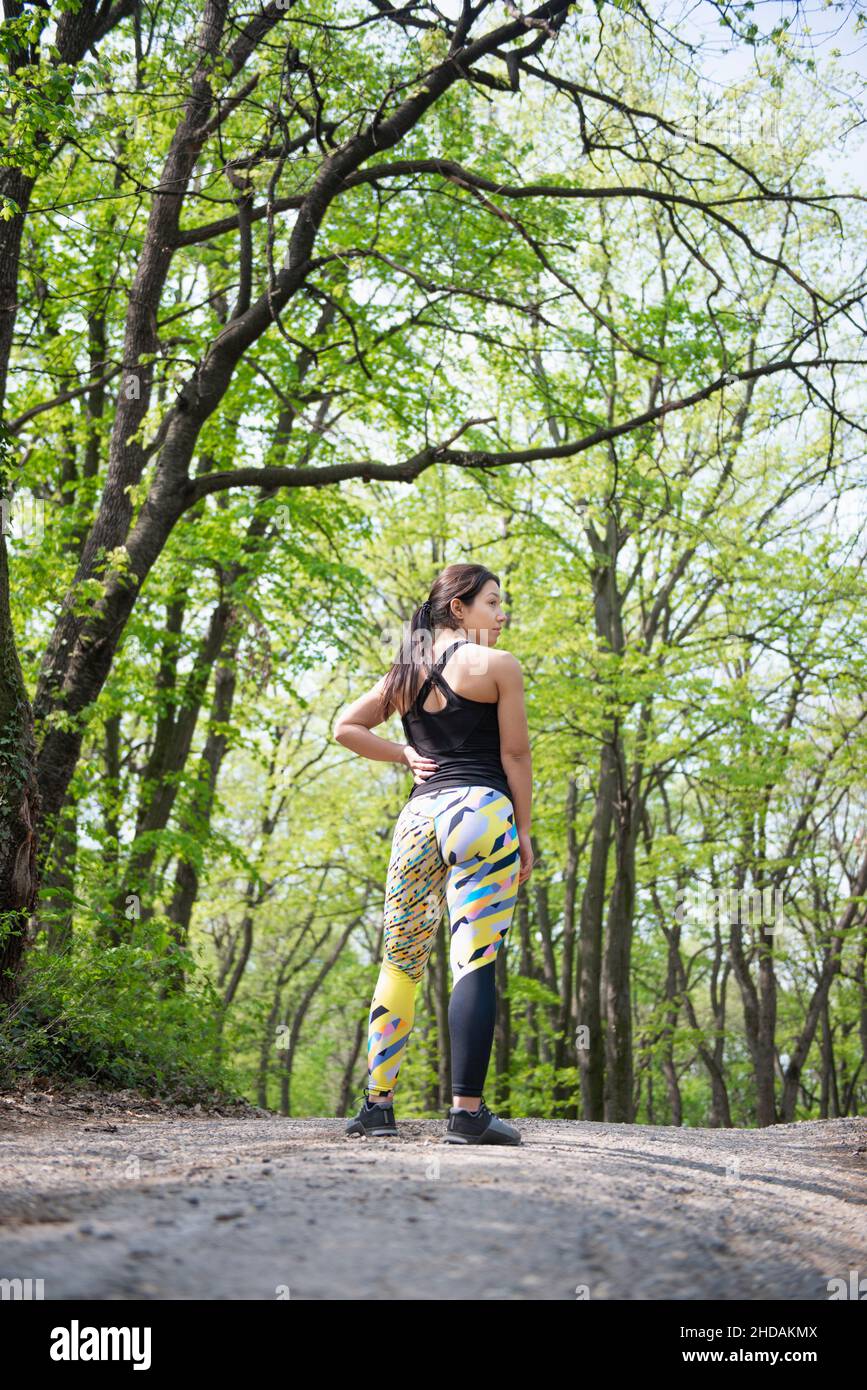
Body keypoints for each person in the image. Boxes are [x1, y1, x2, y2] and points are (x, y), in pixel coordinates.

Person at [333, 563, 534, 1145]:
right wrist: (523, 830)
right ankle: (466, 1114)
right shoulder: (498, 667)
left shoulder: (405, 672)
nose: (502, 614)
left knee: (400, 962)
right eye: (492, 603)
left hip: (418, 820)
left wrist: (402, 753)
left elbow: (345, 726)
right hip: (482, 813)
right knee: (474, 960)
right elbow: (516, 758)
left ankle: (377, 1106)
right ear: (458, 608)